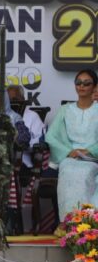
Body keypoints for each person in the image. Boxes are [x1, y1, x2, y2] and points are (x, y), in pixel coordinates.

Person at [45, 69, 98, 219]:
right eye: (78, 83)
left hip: (93, 159)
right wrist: (69, 151)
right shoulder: (65, 110)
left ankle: (87, 222)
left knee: (84, 172)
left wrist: (89, 150)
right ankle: (68, 223)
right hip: (69, 157)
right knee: (68, 170)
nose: (81, 86)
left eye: (86, 83)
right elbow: (51, 136)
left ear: (94, 87)